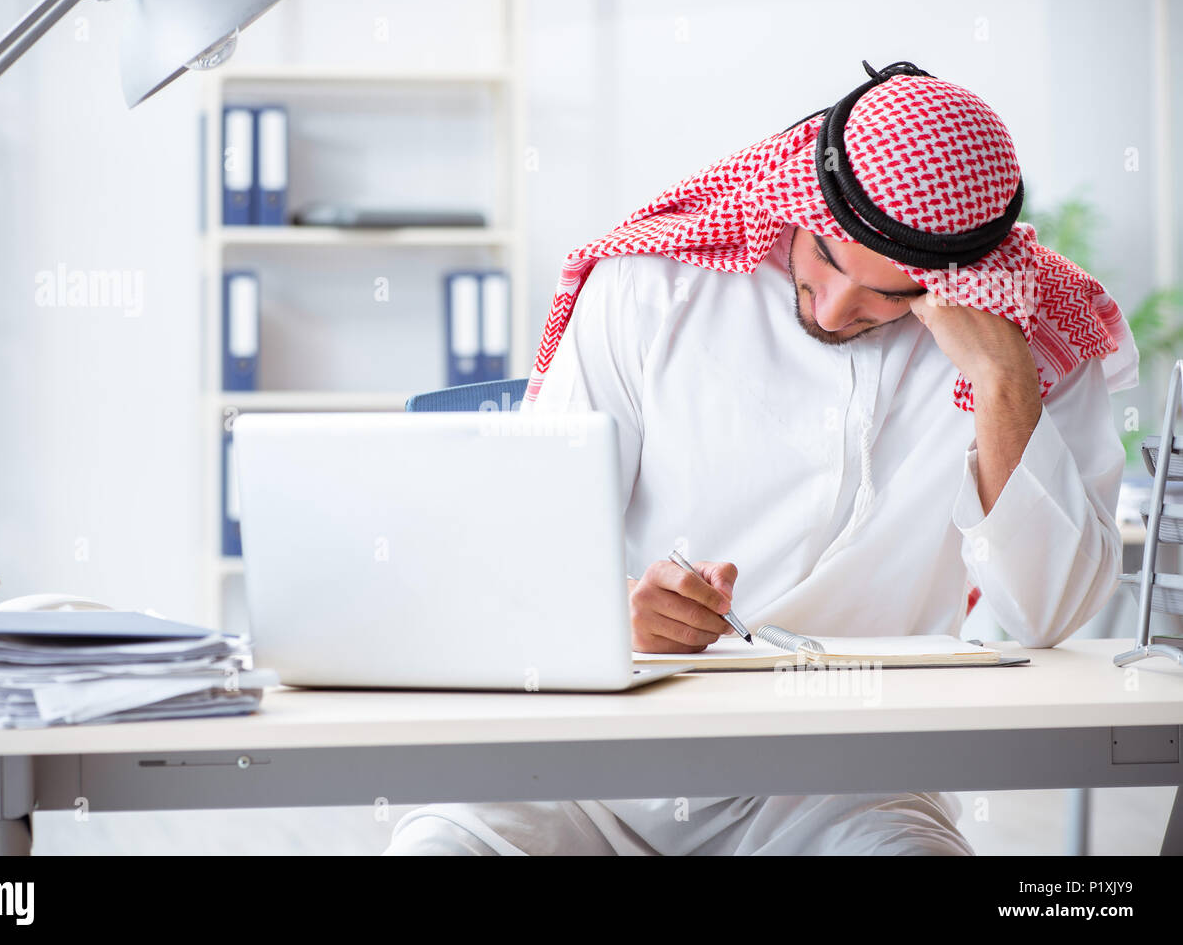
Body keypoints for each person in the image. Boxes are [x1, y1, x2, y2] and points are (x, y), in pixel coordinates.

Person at [384, 61, 1138, 855]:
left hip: (847, 783)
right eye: (826, 257)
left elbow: (1045, 616)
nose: (837, 306)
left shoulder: (1023, 346)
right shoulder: (652, 289)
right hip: (589, 763)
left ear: (961, 282)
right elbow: (524, 556)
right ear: (802, 204)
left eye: (894, 295)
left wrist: (1000, 380)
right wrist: (620, 611)